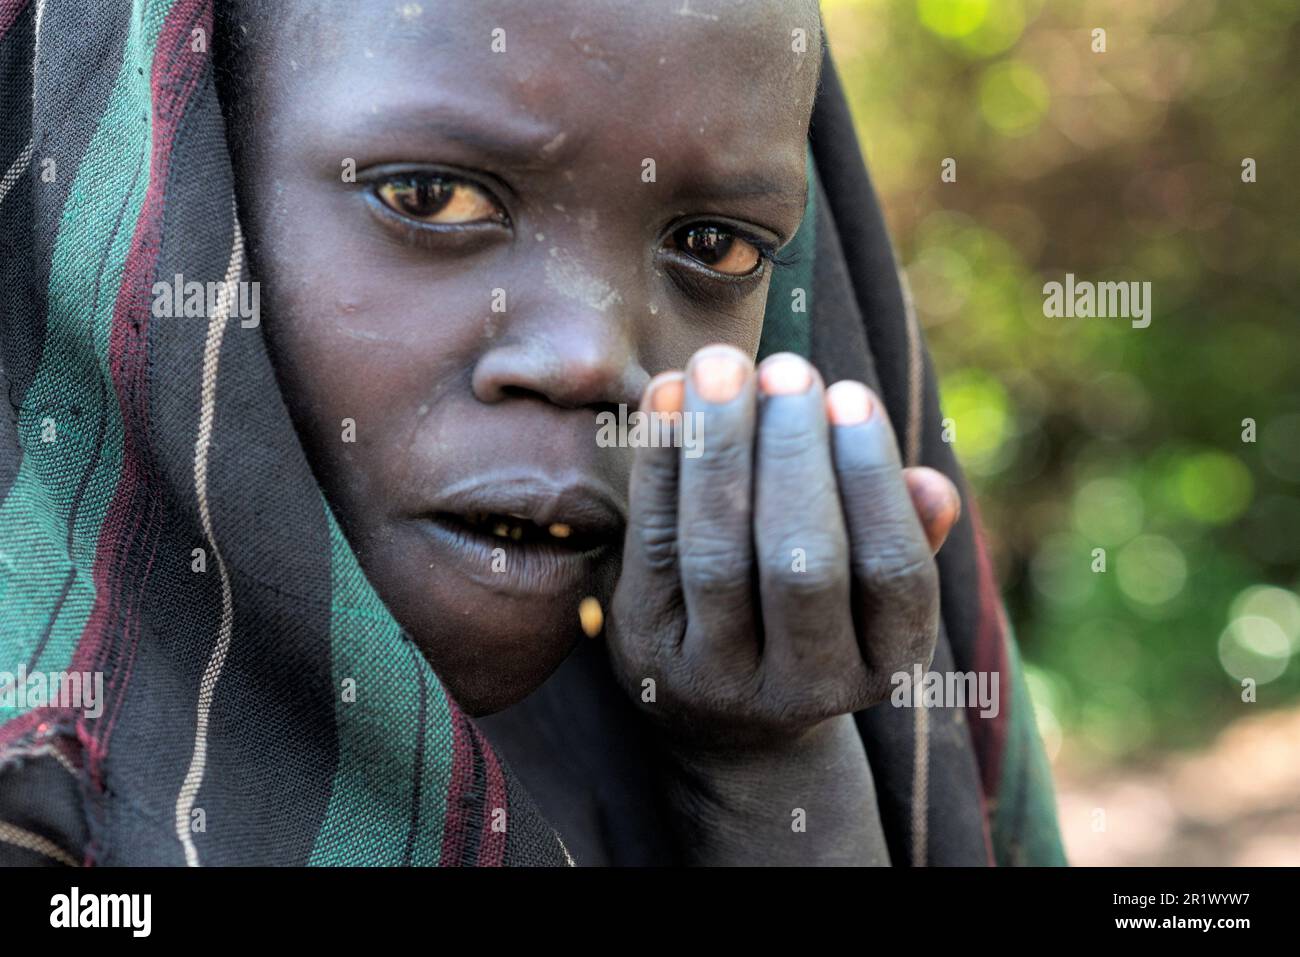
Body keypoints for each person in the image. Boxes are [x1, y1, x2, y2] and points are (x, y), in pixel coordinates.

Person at [0, 0, 1064, 866]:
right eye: (432, 195)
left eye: (715, 245)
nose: (591, 361)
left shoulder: (642, 736)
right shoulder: (42, 782)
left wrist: (770, 768)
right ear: (189, 186)